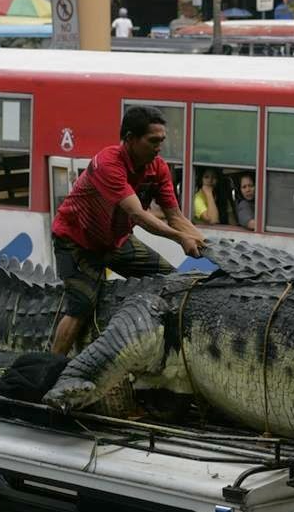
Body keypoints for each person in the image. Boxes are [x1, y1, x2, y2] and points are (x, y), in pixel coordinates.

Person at [49, 105, 205, 356]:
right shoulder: (109, 163)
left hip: (117, 241)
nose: (159, 147)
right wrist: (180, 239)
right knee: (81, 306)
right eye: (153, 141)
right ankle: (50, 366)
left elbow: (175, 216)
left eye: (162, 141)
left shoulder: (158, 168)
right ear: (130, 139)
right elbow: (138, 214)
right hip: (77, 242)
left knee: (174, 282)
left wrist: (206, 245)